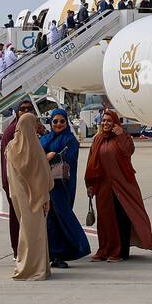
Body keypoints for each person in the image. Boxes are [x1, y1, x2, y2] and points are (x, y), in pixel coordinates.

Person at [84, 109, 152, 262]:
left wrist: (121, 134)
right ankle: (104, 249)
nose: (105, 123)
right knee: (105, 219)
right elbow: (91, 162)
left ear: (116, 122)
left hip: (122, 185)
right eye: (103, 121)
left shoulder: (123, 137)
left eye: (109, 121)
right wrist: (90, 184)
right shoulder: (98, 139)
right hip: (103, 186)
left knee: (121, 217)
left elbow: (128, 151)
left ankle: (120, 251)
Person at [5, 110, 53, 281]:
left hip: (19, 198)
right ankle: (37, 268)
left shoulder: (11, 148)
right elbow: (42, 176)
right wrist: (45, 197)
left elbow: (10, 176)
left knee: (25, 232)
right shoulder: (34, 148)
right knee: (37, 233)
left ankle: (26, 265)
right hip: (37, 198)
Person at [41, 108, 90, 268]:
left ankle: (70, 250)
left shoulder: (70, 140)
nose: (58, 124)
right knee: (49, 220)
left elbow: (69, 160)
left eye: (62, 121)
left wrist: (53, 156)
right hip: (45, 186)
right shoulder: (45, 138)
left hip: (61, 186)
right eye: (55, 121)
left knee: (61, 218)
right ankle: (51, 253)